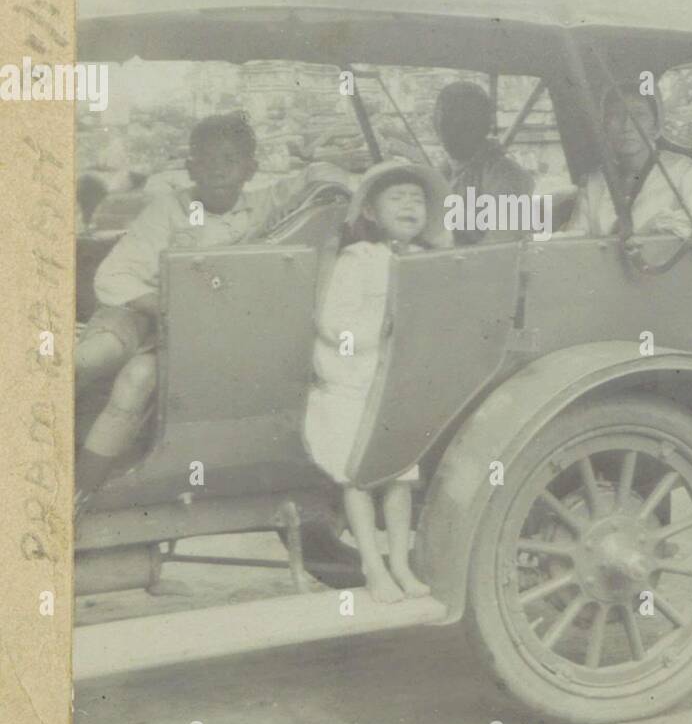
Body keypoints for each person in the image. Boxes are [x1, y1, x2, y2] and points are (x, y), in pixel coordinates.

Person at [75, 112, 349, 508]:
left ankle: (84, 493)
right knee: (98, 362)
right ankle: (72, 482)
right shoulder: (168, 209)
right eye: (206, 160)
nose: (218, 170)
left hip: (219, 338)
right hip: (156, 319)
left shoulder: (263, 205)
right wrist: (177, 308)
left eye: (230, 160)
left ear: (250, 168)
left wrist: (333, 188)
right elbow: (112, 278)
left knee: (136, 378)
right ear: (191, 167)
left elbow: (322, 173)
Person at [303, 160, 452, 603]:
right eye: (397, 198)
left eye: (418, 199)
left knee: (400, 478)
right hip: (353, 381)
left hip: (394, 385)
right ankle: (373, 565)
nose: (410, 205)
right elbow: (333, 324)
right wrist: (377, 335)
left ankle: (401, 565)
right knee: (360, 479)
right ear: (369, 212)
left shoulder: (422, 260)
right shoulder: (358, 259)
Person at [563, 83, 692, 249]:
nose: (626, 125)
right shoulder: (595, 180)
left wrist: (667, 226)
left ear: (656, 126)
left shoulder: (685, 172)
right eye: (615, 115)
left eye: (638, 115)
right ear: (605, 127)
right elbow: (575, 240)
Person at [433, 80, 535, 243]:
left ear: (483, 126)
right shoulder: (443, 172)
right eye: (447, 121)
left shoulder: (505, 175)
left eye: (464, 123)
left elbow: (501, 246)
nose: (452, 130)